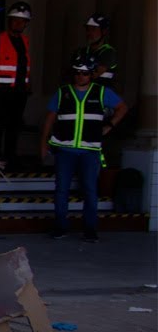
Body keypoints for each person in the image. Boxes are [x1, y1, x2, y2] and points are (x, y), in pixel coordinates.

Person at [40, 56, 128, 242]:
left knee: (90, 190)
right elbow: (50, 117)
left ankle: (90, 229)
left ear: (92, 75)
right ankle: (60, 227)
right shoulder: (63, 92)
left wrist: (110, 125)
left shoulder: (101, 92)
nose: (80, 76)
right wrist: (44, 142)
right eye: (77, 73)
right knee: (62, 189)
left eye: (85, 73)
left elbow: (122, 108)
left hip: (90, 150)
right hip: (65, 149)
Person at [0, 2, 34, 169]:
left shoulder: (24, 41)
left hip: (18, 93)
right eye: (15, 20)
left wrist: (26, 86)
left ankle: (11, 159)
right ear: (10, 20)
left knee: (14, 126)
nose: (19, 24)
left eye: (22, 21)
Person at [74, 13, 118, 89]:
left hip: (103, 96)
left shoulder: (108, 52)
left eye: (93, 29)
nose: (89, 33)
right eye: (88, 29)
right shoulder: (80, 51)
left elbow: (94, 74)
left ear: (103, 31)